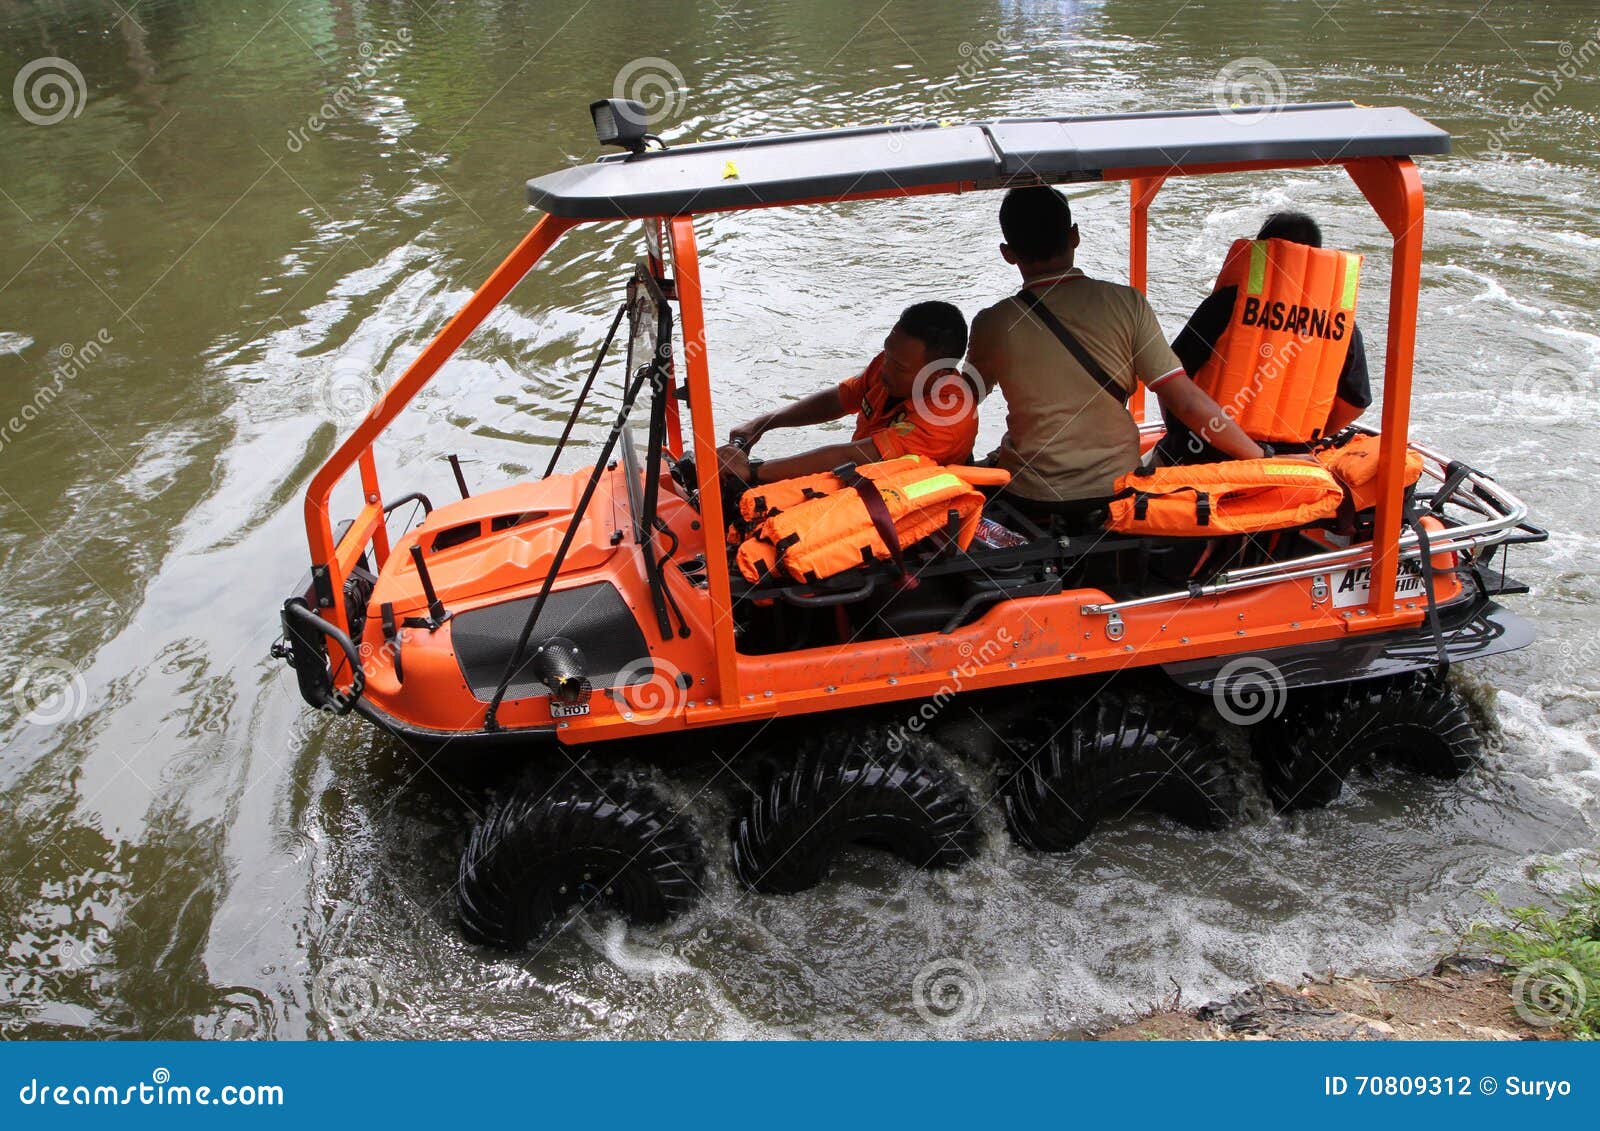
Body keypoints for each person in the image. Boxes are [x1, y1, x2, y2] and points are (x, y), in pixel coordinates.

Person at [964, 186, 1265, 531]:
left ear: (1007, 253)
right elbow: (1186, 402)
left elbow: (959, 404)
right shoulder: (1127, 304)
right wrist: (1263, 460)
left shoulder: (994, 322)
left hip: (1033, 496)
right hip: (1119, 490)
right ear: (1074, 237)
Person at [1156, 210, 1371, 465]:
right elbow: (1356, 402)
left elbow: (1170, 381)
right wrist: (1304, 439)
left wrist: (1179, 429)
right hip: (1292, 463)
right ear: (1315, 256)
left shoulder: (1226, 303)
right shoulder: (1341, 324)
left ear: (1264, 252)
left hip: (1203, 456)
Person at [716, 301, 975, 486]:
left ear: (938, 374)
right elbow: (839, 400)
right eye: (887, 354)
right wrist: (762, 424)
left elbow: (853, 455)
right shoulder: (890, 364)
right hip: (859, 480)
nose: (885, 368)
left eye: (899, 367)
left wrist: (752, 471)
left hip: (898, 504)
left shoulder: (947, 416)